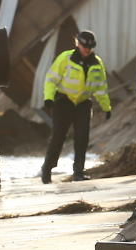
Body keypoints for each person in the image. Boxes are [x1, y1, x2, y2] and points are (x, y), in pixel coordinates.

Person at [41, 30, 112, 184]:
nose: (87, 50)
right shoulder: (65, 58)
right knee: (59, 136)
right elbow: (51, 79)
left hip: (83, 104)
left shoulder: (97, 64)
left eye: (90, 47)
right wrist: (48, 97)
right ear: (78, 44)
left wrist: (106, 107)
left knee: (82, 137)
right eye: (84, 46)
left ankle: (78, 172)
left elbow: (101, 88)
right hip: (63, 102)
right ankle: (47, 169)